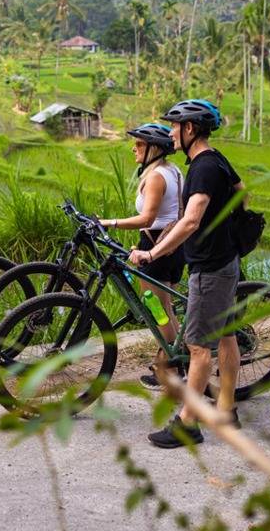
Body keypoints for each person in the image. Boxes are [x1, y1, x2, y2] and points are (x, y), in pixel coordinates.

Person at [127, 99, 246, 447]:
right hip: (225, 261)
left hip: (209, 268)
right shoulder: (216, 159)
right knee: (225, 336)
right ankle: (226, 409)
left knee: (197, 348)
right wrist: (226, 230)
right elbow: (242, 195)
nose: (170, 134)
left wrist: (153, 252)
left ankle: (187, 424)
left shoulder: (202, 168)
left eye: (175, 127)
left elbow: (191, 220)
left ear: (190, 128)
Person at [95, 123, 185, 387]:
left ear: (154, 148)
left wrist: (109, 223)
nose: (134, 148)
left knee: (157, 310)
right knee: (166, 309)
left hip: (155, 246)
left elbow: (147, 218)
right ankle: (175, 363)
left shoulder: (156, 177)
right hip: (172, 246)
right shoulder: (173, 170)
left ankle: (176, 367)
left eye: (140, 144)